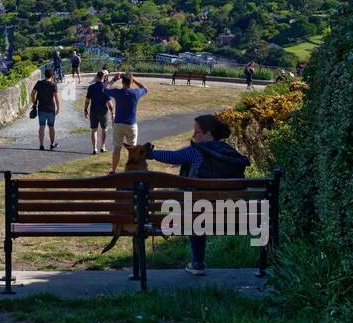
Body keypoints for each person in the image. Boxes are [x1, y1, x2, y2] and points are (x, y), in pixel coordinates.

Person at [138, 114, 251, 276]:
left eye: (197, 132)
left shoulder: (196, 152)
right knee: (199, 208)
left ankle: (197, 263)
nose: (193, 136)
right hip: (233, 213)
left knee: (195, 211)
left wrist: (149, 154)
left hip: (200, 214)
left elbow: (173, 157)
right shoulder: (231, 153)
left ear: (208, 134)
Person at [103, 71, 149, 172]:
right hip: (131, 124)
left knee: (117, 149)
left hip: (119, 124)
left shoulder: (118, 92)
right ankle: (130, 171)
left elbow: (105, 88)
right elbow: (145, 88)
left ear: (122, 82)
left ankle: (114, 171)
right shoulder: (135, 93)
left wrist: (114, 79)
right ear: (131, 82)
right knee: (132, 151)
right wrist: (134, 79)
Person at [31, 69, 61, 150]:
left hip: (41, 108)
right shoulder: (53, 85)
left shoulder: (39, 83)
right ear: (52, 75)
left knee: (41, 126)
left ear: (45, 75)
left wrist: (34, 103)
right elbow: (56, 98)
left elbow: (32, 93)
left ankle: (41, 145)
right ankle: (52, 144)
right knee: (51, 126)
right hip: (51, 108)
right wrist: (58, 108)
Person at [83, 71, 112, 154]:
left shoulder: (91, 87)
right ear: (104, 77)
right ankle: (103, 146)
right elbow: (110, 103)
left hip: (93, 110)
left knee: (94, 130)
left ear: (97, 77)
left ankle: (94, 148)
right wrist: (112, 112)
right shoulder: (105, 88)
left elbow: (87, 100)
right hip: (103, 111)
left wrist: (85, 110)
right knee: (104, 129)